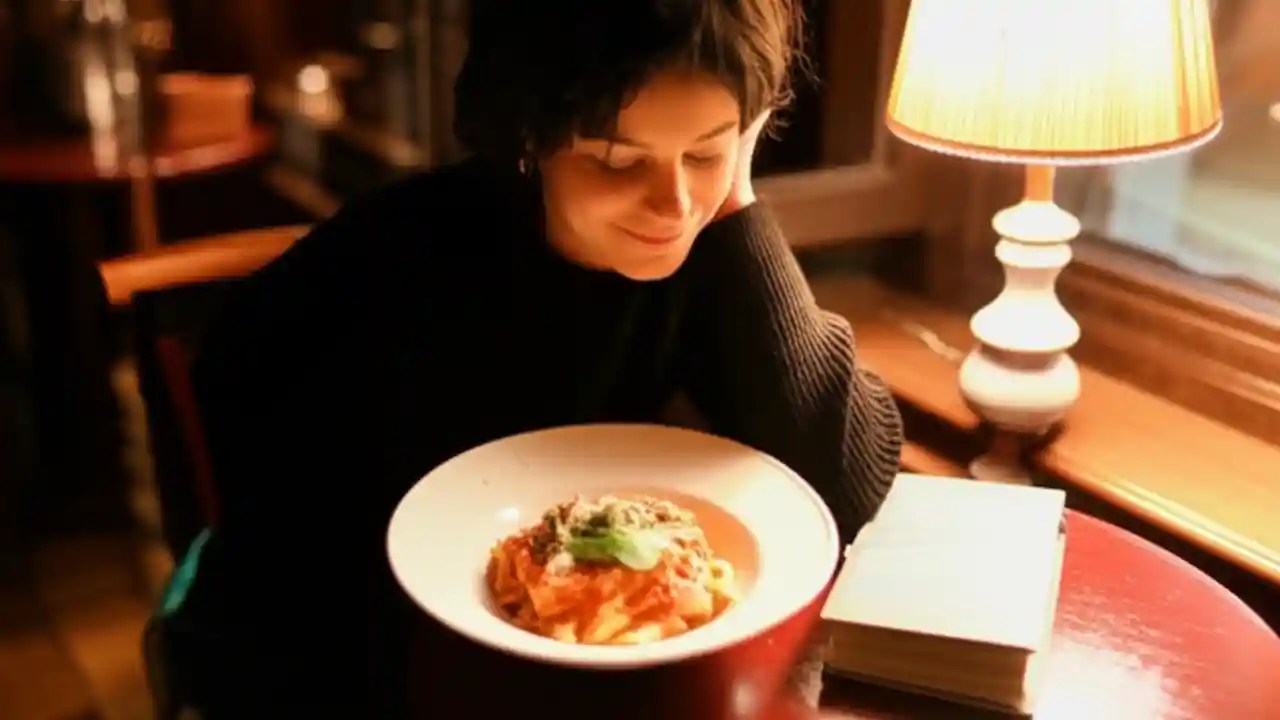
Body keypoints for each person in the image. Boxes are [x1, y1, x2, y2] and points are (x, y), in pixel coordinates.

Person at [161, 0, 903, 717]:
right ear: (529, 133)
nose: (674, 204)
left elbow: (850, 487)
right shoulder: (394, 261)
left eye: (707, 149)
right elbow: (245, 424)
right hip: (326, 645)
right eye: (616, 159)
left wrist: (738, 201)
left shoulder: (711, 258)